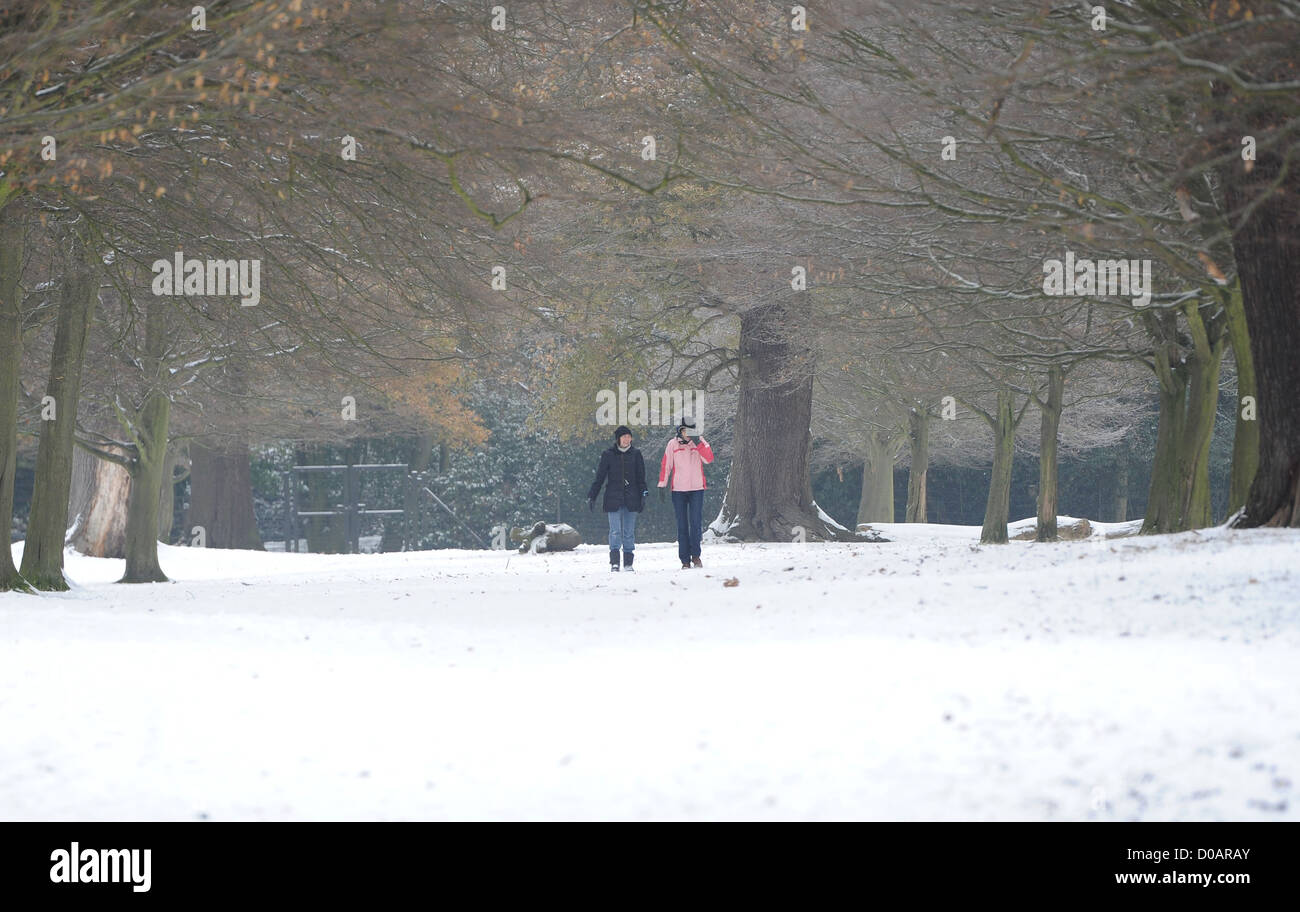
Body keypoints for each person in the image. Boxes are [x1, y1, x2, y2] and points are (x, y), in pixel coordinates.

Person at [588, 425, 648, 571]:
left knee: (628, 532)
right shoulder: (608, 454)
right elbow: (600, 477)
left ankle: (628, 562)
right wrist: (592, 495)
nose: (627, 439)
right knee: (615, 531)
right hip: (613, 498)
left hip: (631, 498)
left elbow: (641, 477)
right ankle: (614, 562)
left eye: (629, 436)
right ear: (618, 439)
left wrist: (644, 493)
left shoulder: (636, 454)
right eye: (624, 436)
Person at [658, 420, 714, 569]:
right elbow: (666, 465)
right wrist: (662, 485)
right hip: (678, 490)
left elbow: (709, 459)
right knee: (682, 525)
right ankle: (684, 560)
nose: (687, 434)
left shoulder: (699, 442)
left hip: (697, 488)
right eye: (685, 430)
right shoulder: (672, 444)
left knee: (695, 523)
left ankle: (696, 556)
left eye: (690, 431)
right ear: (680, 431)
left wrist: (699, 444)